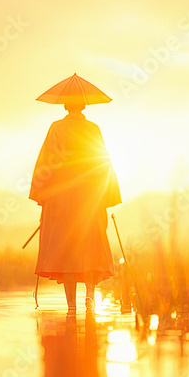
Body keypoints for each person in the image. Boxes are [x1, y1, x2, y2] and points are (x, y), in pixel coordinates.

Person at [29, 98, 121, 314]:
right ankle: (90, 296)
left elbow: (46, 164)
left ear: (65, 105)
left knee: (66, 251)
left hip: (62, 201)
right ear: (84, 106)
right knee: (91, 246)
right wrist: (107, 195)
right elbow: (103, 163)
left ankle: (71, 307)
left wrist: (44, 197)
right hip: (90, 199)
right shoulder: (93, 129)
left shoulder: (56, 128)